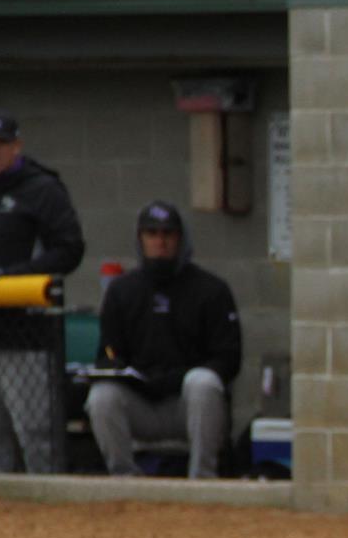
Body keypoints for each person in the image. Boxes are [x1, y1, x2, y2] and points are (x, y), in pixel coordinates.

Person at [0, 110, 84, 473]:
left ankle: (50, 497)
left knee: (36, 432)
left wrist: (12, 276)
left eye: (1, 143)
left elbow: (70, 250)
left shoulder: (42, 189)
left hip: (25, 334)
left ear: (17, 145)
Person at [86, 200, 241, 479]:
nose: (160, 242)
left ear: (180, 239)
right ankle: (124, 478)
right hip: (142, 403)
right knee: (102, 396)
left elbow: (229, 358)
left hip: (188, 402)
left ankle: (202, 478)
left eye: (168, 234)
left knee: (203, 383)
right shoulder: (122, 290)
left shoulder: (211, 290)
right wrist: (127, 374)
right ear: (141, 239)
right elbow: (108, 353)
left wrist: (178, 377)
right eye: (152, 234)